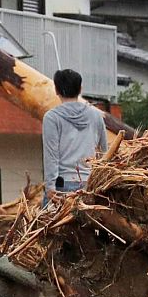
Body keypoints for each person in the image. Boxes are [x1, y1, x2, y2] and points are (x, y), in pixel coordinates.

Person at [42, 68, 107, 201]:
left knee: (42, 220)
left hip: (62, 186)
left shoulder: (52, 118)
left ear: (56, 90)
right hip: (90, 186)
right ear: (80, 89)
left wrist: (50, 186)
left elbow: (51, 155)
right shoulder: (96, 115)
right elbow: (104, 152)